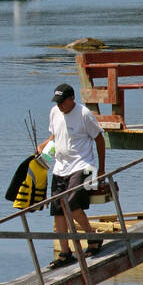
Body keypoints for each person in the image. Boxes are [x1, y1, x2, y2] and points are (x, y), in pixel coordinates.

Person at [41, 83, 107, 268]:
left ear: (72, 99)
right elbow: (55, 137)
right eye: (57, 101)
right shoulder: (54, 112)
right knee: (57, 208)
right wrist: (44, 147)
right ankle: (65, 253)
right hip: (60, 167)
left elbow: (99, 139)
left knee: (70, 204)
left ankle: (92, 237)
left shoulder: (84, 114)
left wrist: (101, 169)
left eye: (62, 101)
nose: (60, 105)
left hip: (83, 166)